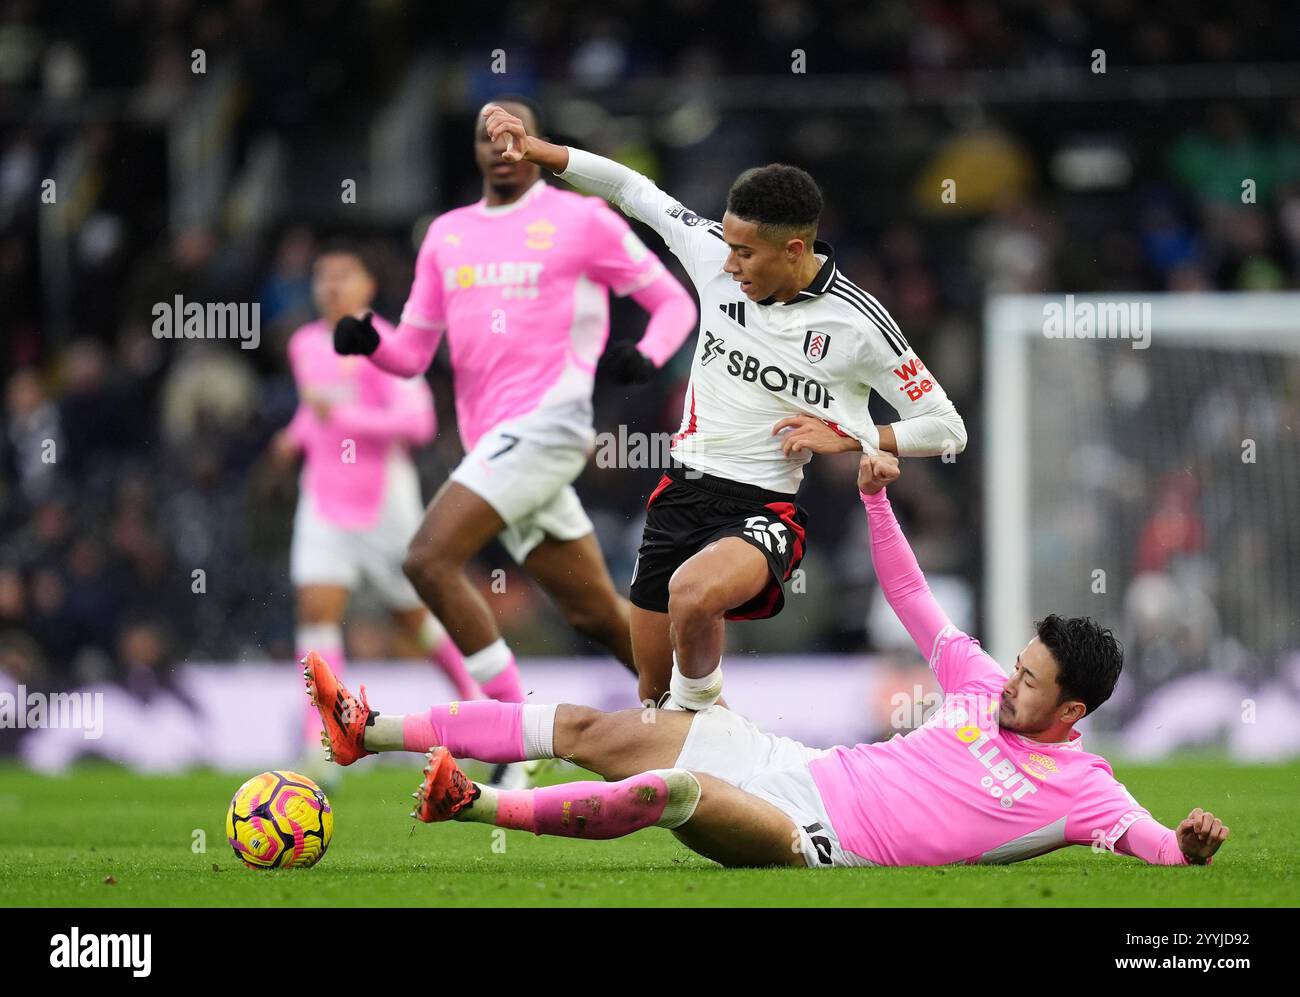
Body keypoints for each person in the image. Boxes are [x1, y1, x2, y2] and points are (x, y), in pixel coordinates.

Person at [303, 451, 1230, 869]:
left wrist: (1184, 847)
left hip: (819, 845)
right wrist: (873, 497)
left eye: (1029, 684)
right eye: (1017, 665)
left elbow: (1158, 849)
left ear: (1072, 714)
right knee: (584, 726)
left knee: (675, 795)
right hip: (796, 766)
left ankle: (475, 803)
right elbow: (913, 599)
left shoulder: (1086, 793)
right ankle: (364, 731)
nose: (1008, 685)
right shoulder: (983, 684)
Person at [478, 103, 968, 711]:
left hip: (764, 509)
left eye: (745, 254)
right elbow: (632, 189)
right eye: (728, 247)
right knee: (654, 706)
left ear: (793, 250)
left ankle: (708, 730)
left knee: (692, 594)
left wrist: (854, 435)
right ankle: (709, 741)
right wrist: (539, 151)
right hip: (679, 495)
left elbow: (949, 428)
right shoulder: (714, 253)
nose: (728, 263)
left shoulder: (858, 324)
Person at [333, 98, 698, 755]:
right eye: (486, 135)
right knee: (598, 615)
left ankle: (506, 736)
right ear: (474, 149)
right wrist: (370, 340)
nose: (500, 144)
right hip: (497, 448)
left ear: (533, 142)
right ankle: (712, 722)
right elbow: (413, 353)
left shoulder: (582, 218)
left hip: (549, 427)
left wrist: (647, 353)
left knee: (426, 557)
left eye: (512, 133)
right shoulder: (445, 233)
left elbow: (672, 301)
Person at [270, 244, 477, 764]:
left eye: (343, 273)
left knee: (411, 618)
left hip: (384, 503)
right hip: (322, 500)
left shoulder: (381, 342)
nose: (331, 285)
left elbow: (419, 424)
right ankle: (321, 740)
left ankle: (478, 708)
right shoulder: (305, 344)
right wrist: (294, 436)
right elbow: (314, 412)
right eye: (322, 274)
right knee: (316, 611)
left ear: (368, 285)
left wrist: (345, 420)